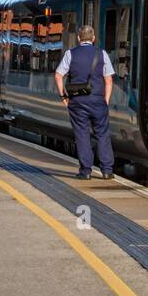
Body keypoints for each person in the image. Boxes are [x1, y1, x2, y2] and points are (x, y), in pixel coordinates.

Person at [54, 25, 115, 180]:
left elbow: (58, 75)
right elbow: (108, 80)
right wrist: (105, 100)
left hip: (77, 102)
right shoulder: (102, 54)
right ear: (93, 38)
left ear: (79, 38)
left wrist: (64, 97)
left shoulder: (70, 54)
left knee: (82, 134)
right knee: (102, 134)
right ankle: (107, 170)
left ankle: (86, 171)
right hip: (98, 101)